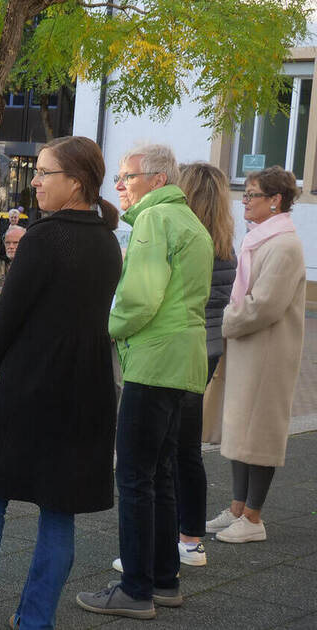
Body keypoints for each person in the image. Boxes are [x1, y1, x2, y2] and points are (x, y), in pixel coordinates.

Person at [0, 136, 123, 630]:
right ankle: (35, 620)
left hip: (33, 384)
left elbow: (6, 319)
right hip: (88, 388)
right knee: (60, 510)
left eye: (44, 173)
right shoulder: (108, 241)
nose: (33, 180)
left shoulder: (42, 237)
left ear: (74, 181)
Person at [77, 144, 213, 620]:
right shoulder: (191, 221)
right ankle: (163, 579)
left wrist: (104, 330)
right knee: (161, 473)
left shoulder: (155, 221)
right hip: (183, 362)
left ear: (157, 179)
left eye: (128, 177)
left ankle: (135, 588)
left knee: (134, 476)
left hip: (154, 362)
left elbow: (139, 298)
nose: (120, 186)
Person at [203, 166, 305, 546]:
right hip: (248, 347)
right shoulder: (260, 240)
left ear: (275, 201)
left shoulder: (283, 245)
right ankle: (236, 509)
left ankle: (253, 516)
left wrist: (223, 320)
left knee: (259, 432)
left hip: (267, 352)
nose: (244, 201)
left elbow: (264, 306)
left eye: (252, 195)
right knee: (239, 427)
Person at [171, 163, 236, 566]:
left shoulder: (186, 237)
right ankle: (190, 537)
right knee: (186, 447)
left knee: (167, 449)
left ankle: (170, 541)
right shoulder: (224, 241)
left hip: (182, 345)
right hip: (209, 347)